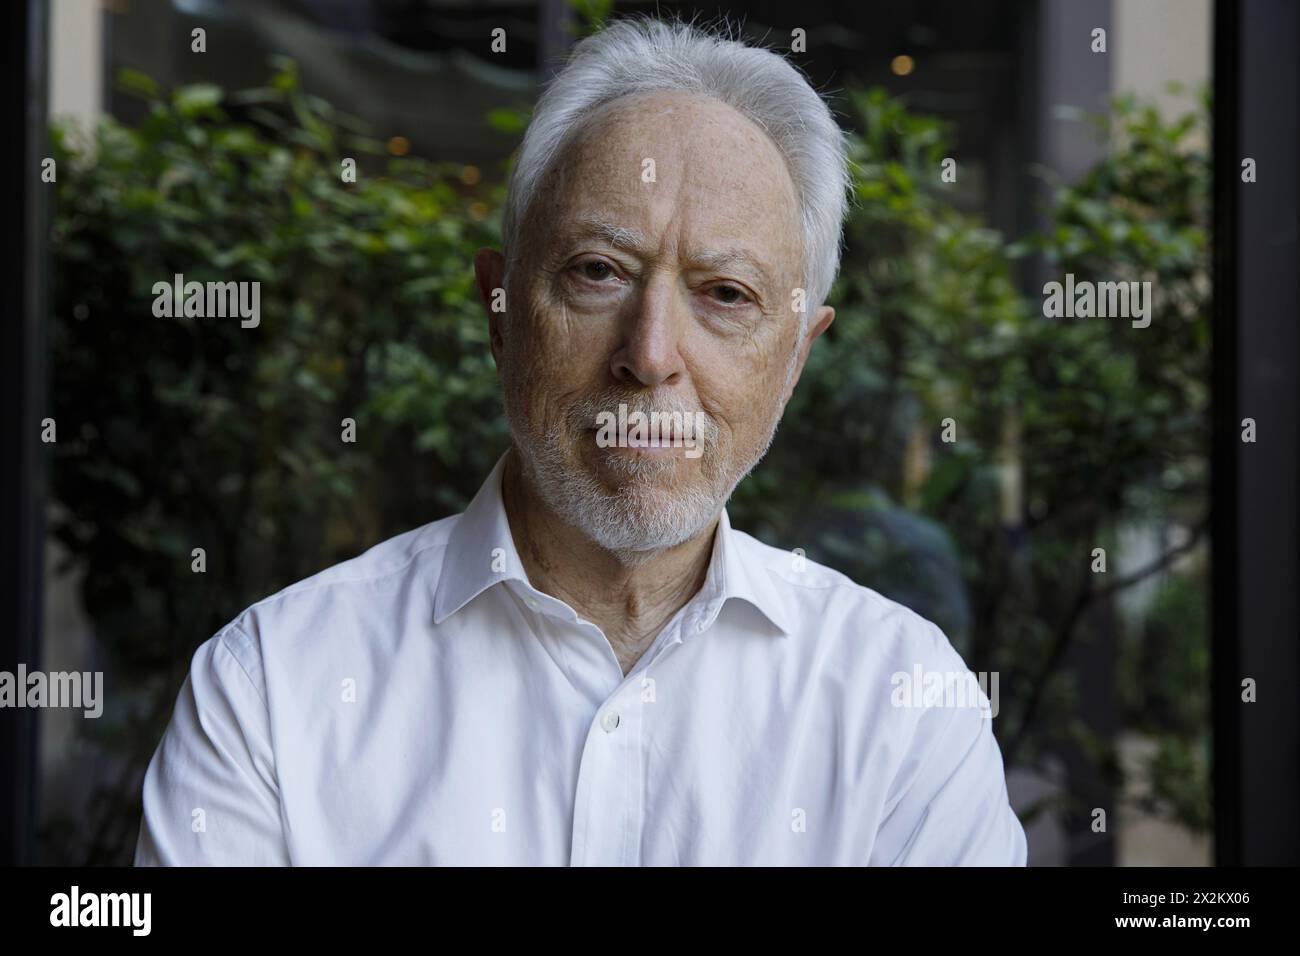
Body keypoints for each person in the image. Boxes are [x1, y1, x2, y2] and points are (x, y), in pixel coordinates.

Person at [135, 15, 1026, 866]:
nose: (649, 356)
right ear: (500, 308)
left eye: (725, 294)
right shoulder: (273, 692)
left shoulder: (905, 709)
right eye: (598, 272)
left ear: (796, 355)